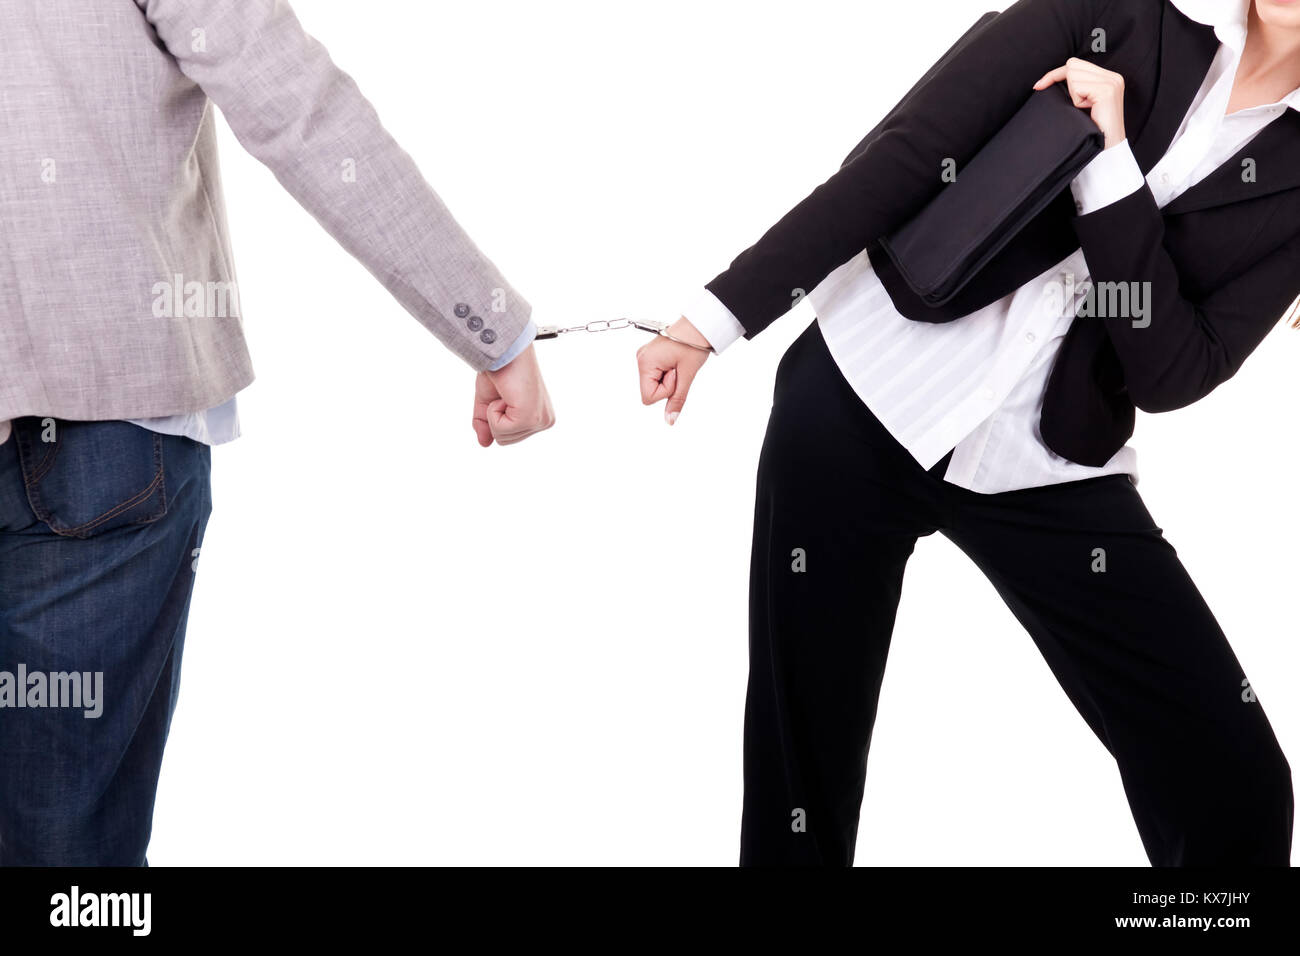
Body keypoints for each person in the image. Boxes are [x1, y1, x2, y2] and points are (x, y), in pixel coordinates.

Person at [638, 0, 1300, 865]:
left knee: (1236, 785)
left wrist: (1110, 168)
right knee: (800, 785)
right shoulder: (1119, 13)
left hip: (1048, 464)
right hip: (865, 395)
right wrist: (714, 320)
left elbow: (1174, 370)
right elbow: (901, 160)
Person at [0, 0, 550, 865]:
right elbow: (295, 105)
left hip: (101, 448)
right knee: (71, 859)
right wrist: (493, 331)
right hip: (105, 420)